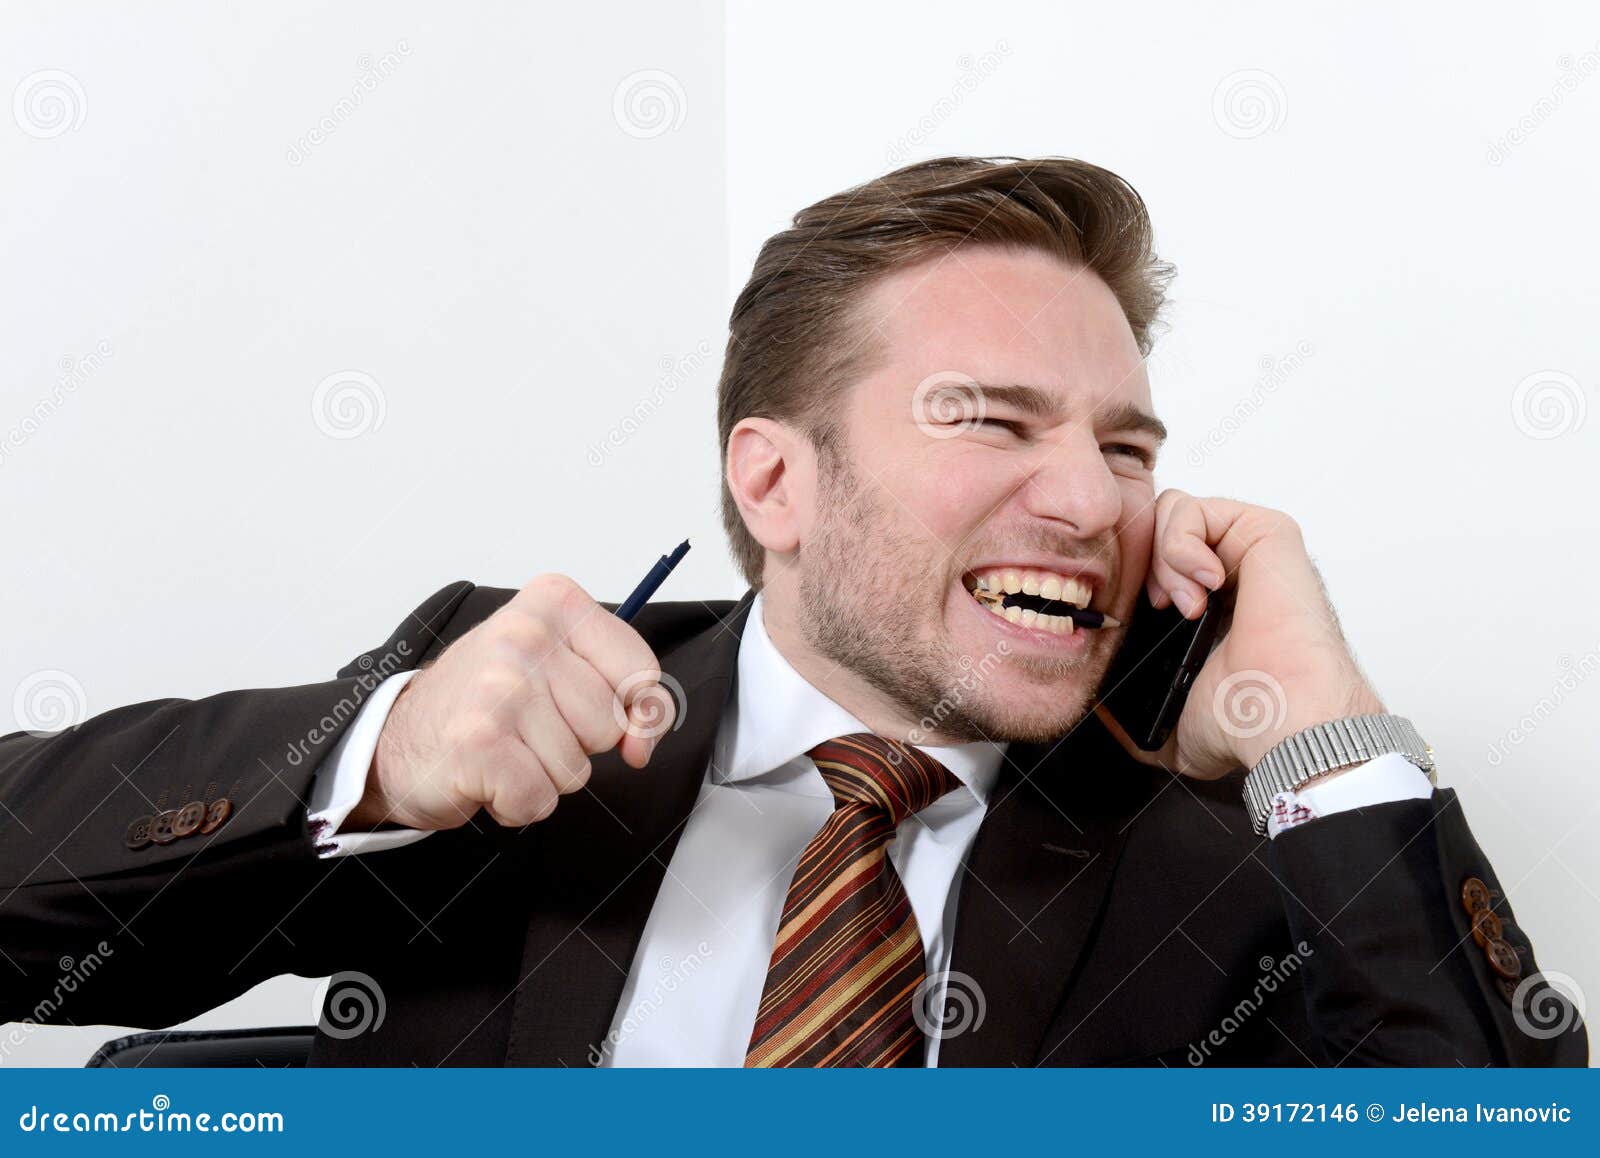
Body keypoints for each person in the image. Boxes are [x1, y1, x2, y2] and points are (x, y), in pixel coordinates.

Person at [1, 157, 1585, 1067]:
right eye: (992, 418)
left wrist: (1327, 732)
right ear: (777, 481)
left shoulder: (1236, 858)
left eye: (1126, 447)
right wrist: (378, 758)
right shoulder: (513, 715)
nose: (1096, 502)